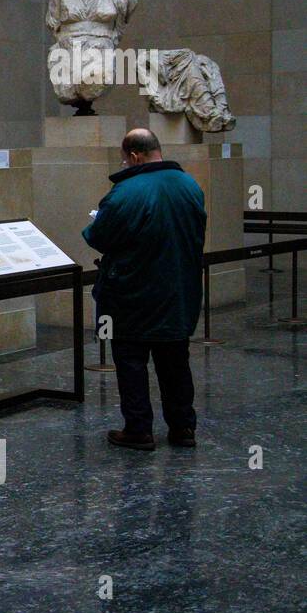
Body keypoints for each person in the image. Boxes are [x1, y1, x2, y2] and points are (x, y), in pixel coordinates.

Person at [82, 128, 207, 451]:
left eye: (125, 159)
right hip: (179, 291)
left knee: (131, 361)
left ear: (134, 156)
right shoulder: (190, 186)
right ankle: (183, 428)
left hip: (132, 294)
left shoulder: (125, 192)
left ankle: (139, 429)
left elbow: (99, 237)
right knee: (176, 362)